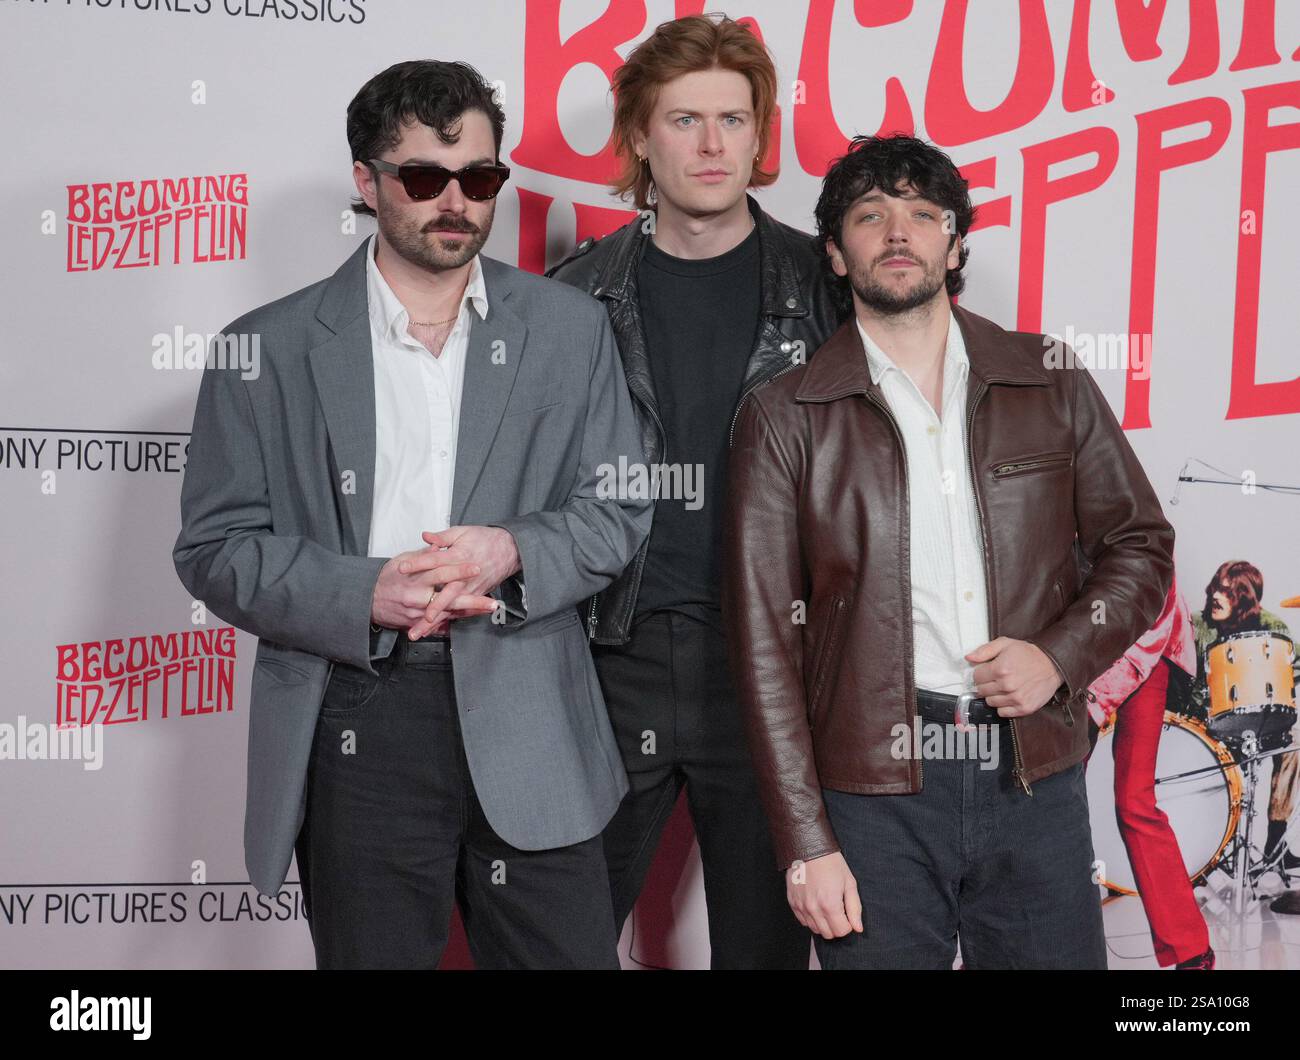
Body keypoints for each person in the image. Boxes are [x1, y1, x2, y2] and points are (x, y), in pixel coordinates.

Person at [173, 60, 652, 969]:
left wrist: (512, 550)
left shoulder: (568, 328)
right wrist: (365, 592)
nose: (456, 203)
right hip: (361, 711)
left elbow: (619, 507)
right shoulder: (264, 349)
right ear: (367, 182)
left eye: (479, 179)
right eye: (425, 178)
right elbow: (214, 548)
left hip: (532, 706)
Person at [724, 133, 1176, 969]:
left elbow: (1141, 546)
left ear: (955, 241)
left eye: (922, 214)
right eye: (869, 216)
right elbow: (763, 648)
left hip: (1032, 771)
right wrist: (804, 842)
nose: (898, 233)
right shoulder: (784, 415)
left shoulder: (1050, 376)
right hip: (871, 793)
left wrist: (1058, 657)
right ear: (834, 250)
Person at [547, 13, 838, 968]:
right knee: (556, 938)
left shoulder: (828, 284)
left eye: (733, 119)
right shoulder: (572, 294)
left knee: (763, 950)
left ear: (760, 135)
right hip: (606, 655)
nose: (712, 145)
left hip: (772, 668)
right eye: (684, 120)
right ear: (638, 136)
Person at [1086, 576, 1215, 969]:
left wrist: (1096, 696)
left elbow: (1154, 594)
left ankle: (1191, 951)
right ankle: (1000, 949)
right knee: (1048, 801)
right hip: (1082, 650)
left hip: (1148, 644)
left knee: (1134, 801)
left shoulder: (1139, 517)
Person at [1190, 561, 1300, 873]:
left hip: (1262, 723)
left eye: (1226, 590)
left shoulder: (1272, 626)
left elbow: (1293, 662)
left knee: (1295, 743)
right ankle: (1212, 848)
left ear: (1245, 597)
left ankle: (1276, 843)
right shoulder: (1198, 625)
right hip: (1211, 725)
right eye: (1215, 587)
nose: (1215, 595)